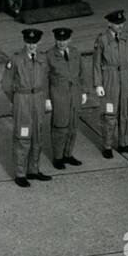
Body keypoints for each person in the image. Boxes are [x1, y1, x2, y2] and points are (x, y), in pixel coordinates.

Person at [1, 27, 52, 187]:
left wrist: (47, 98)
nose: (32, 45)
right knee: (23, 137)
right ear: (25, 42)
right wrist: (16, 99)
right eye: (29, 42)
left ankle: (34, 170)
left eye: (35, 42)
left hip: (38, 98)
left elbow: (46, 80)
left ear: (39, 42)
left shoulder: (43, 58)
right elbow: (6, 84)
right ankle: (20, 174)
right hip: (22, 100)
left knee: (37, 135)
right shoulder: (15, 59)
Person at [92, 10, 128, 158]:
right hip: (109, 78)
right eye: (116, 24)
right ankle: (107, 146)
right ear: (109, 24)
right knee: (110, 114)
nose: (120, 26)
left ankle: (123, 144)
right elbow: (96, 63)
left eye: (121, 23)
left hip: (125, 77)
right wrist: (98, 84)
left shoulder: (127, 38)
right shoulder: (102, 40)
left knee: (125, 112)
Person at [47, 26, 87, 170]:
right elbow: (45, 78)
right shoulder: (49, 55)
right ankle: (58, 157)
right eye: (58, 39)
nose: (61, 43)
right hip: (59, 95)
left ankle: (68, 154)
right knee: (60, 126)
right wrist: (47, 99)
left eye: (64, 39)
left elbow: (82, 73)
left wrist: (84, 92)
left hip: (75, 93)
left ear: (70, 39)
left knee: (73, 126)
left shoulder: (76, 53)